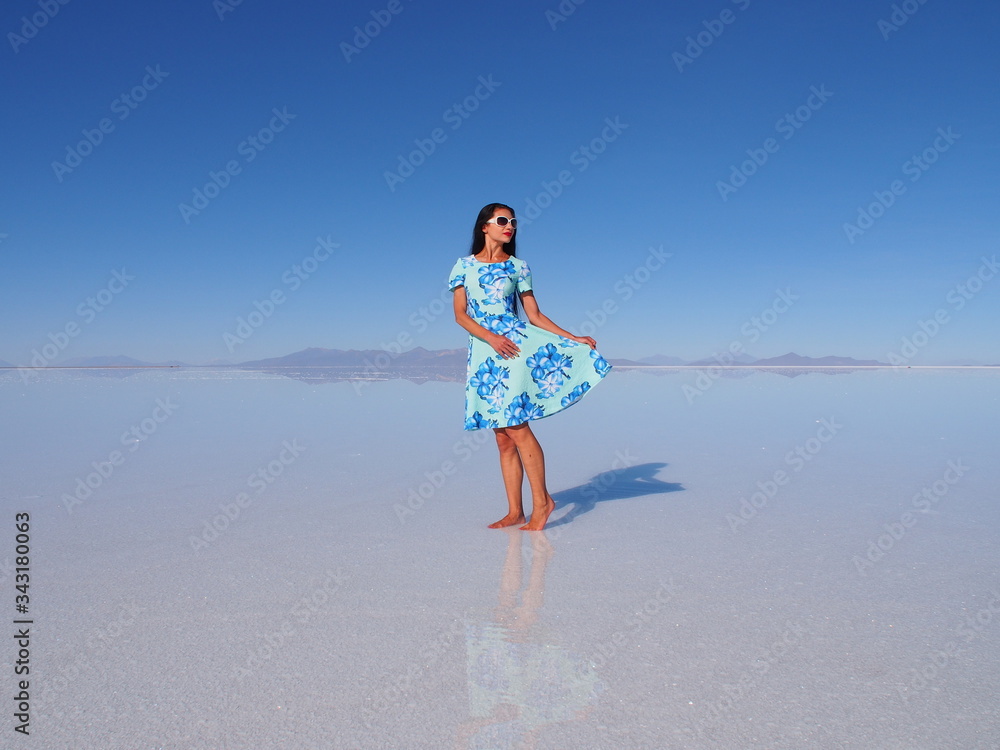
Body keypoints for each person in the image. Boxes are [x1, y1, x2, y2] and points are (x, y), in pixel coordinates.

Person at [448, 203, 612, 530]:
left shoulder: (518, 267)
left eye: (513, 222)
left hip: (515, 351)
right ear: (485, 226)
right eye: (503, 221)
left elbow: (534, 315)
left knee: (517, 427)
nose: (510, 226)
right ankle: (515, 511)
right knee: (502, 437)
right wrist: (491, 338)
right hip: (485, 352)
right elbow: (461, 315)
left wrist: (573, 337)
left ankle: (543, 502)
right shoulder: (463, 267)